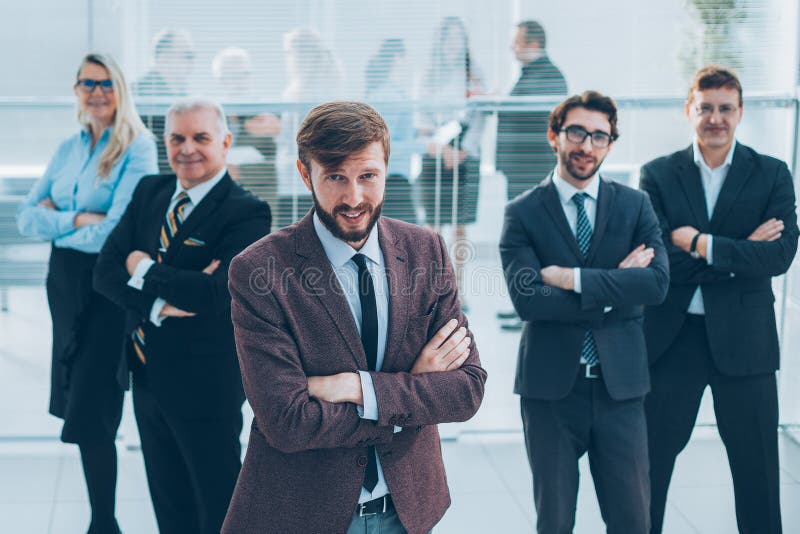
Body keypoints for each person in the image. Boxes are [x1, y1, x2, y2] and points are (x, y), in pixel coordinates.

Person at [223, 101, 487, 534]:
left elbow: (466, 391)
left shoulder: (427, 251)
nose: (354, 198)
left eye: (367, 176)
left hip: (408, 510)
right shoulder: (260, 271)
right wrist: (412, 388)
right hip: (305, 515)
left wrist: (356, 388)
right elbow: (287, 422)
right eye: (335, 178)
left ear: (386, 167)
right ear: (306, 174)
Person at [92, 98, 271, 534]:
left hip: (205, 388)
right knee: (169, 511)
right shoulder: (150, 192)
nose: (186, 148)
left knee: (219, 513)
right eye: (177, 138)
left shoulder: (247, 213)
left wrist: (143, 267)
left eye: (200, 138)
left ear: (226, 143)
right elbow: (104, 273)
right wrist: (159, 301)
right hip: (146, 379)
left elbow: (213, 295)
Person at [499, 91, 669, 534]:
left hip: (622, 392)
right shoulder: (522, 213)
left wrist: (574, 280)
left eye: (599, 135)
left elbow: (655, 284)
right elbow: (528, 299)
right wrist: (616, 286)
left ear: (611, 143)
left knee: (633, 520)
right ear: (554, 136)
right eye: (577, 132)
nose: (587, 145)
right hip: (551, 390)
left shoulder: (636, 206)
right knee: (554, 521)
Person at [640, 65, 797, 534]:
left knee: (759, 477)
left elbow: (781, 254)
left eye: (725, 108)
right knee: (648, 469)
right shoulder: (658, 174)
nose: (715, 118)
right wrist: (740, 249)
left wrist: (701, 243)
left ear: (740, 112)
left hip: (746, 345)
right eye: (705, 107)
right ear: (689, 110)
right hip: (673, 340)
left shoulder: (771, 173)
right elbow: (656, 259)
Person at [16, 53, 157, 533]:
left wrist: (57, 221)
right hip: (65, 289)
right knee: (76, 398)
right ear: (76, 90)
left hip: (104, 290)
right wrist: (76, 219)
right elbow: (25, 216)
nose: (96, 92)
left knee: (93, 407)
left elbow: (114, 234)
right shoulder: (68, 148)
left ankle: (104, 522)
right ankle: (104, 520)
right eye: (87, 83)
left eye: (106, 83)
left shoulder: (137, 147)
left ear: (121, 89)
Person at [495, 20, 568, 330]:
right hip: (520, 172)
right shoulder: (531, 75)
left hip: (532, 172)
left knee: (534, 243)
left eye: (517, 41)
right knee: (524, 242)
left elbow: (532, 119)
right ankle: (522, 305)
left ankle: (532, 309)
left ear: (534, 44)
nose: (512, 47)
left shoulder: (550, 77)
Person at [417, 16, 486, 305]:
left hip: (465, 154)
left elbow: (481, 114)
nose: (453, 44)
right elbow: (419, 116)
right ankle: (433, 289)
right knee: (433, 226)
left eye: (459, 38)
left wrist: (464, 150)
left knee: (460, 225)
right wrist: (438, 148)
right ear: (440, 42)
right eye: (449, 38)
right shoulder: (427, 74)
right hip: (435, 153)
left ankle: (457, 289)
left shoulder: (474, 73)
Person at [212, 46, 281, 207]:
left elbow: (274, 165)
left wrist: (239, 171)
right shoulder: (213, 115)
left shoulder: (266, 117)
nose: (241, 81)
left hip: (259, 200)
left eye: (245, 74)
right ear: (220, 79)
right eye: (233, 76)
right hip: (222, 201)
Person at [365, 38, 424, 224]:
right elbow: (381, 145)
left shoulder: (394, 93)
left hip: (394, 178)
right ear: (397, 59)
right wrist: (425, 146)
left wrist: (415, 132)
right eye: (409, 59)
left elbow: (392, 133)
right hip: (392, 180)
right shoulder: (388, 96)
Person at [134, 28, 196, 173]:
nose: (192, 61)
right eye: (187, 55)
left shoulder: (185, 95)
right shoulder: (141, 93)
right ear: (164, 57)